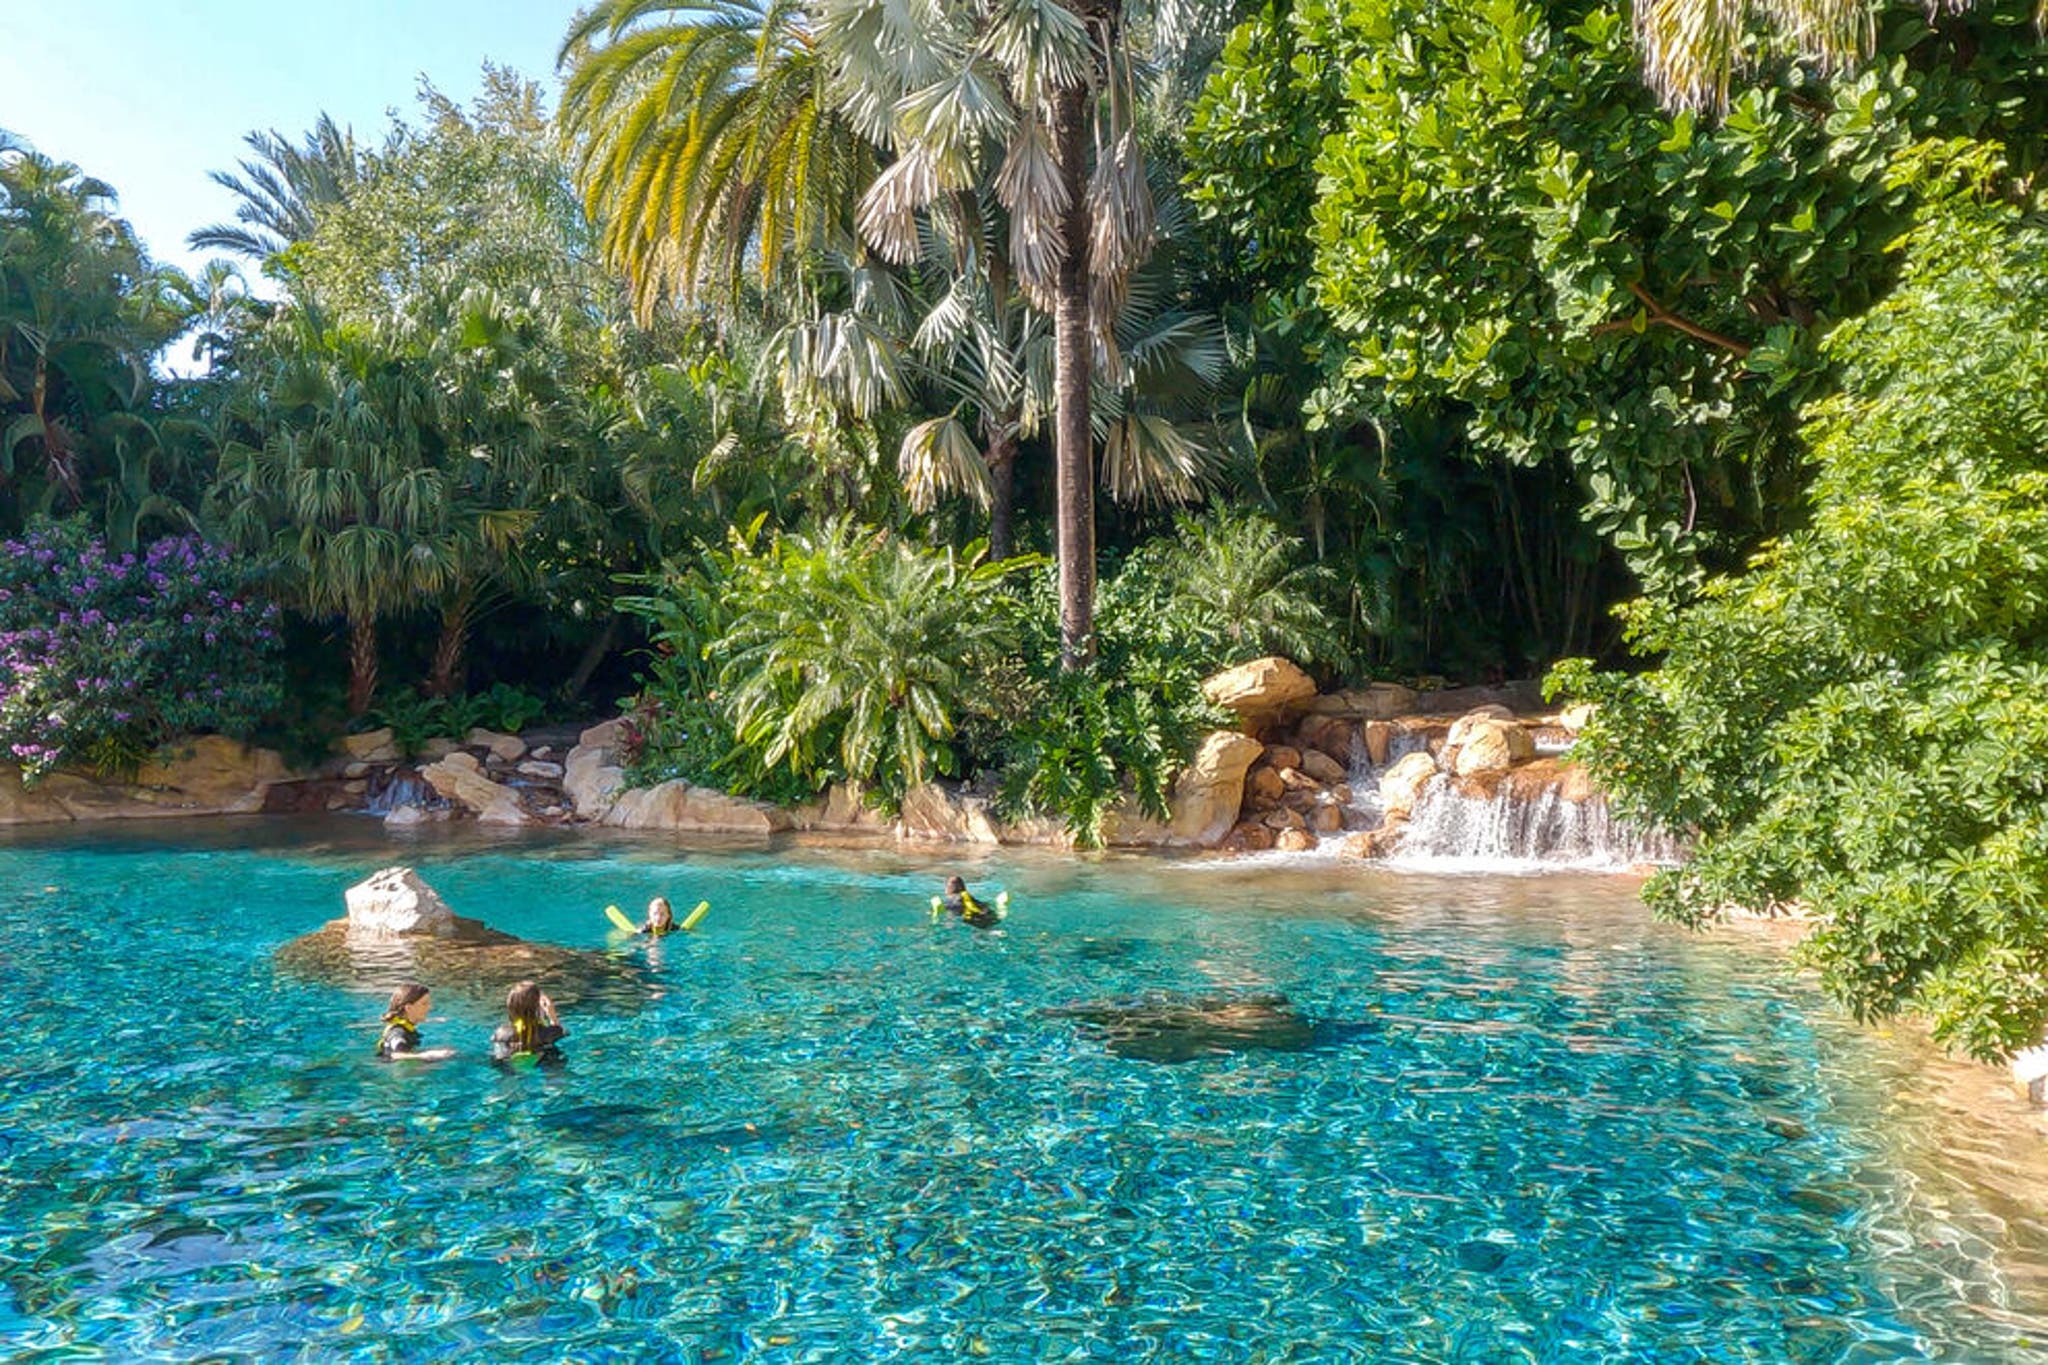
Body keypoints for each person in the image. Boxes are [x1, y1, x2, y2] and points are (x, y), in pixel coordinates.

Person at [490, 980, 566, 1064]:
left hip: (509, 1062)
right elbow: (561, 1032)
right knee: (553, 1053)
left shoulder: (501, 1032)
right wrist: (552, 1015)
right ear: (537, 1008)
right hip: (540, 1061)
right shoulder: (548, 1032)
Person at [376, 982, 454, 1062]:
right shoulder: (398, 1032)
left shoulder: (403, 1022)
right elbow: (397, 1055)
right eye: (424, 1004)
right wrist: (428, 1055)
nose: (429, 1007)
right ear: (409, 1008)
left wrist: (431, 1020)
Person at [934, 874, 1007, 929]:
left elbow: (953, 906)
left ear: (947, 889)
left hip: (969, 917)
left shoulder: (952, 898)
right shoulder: (968, 896)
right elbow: (982, 904)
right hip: (985, 914)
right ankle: (1001, 907)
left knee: (950, 920)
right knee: (989, 923)